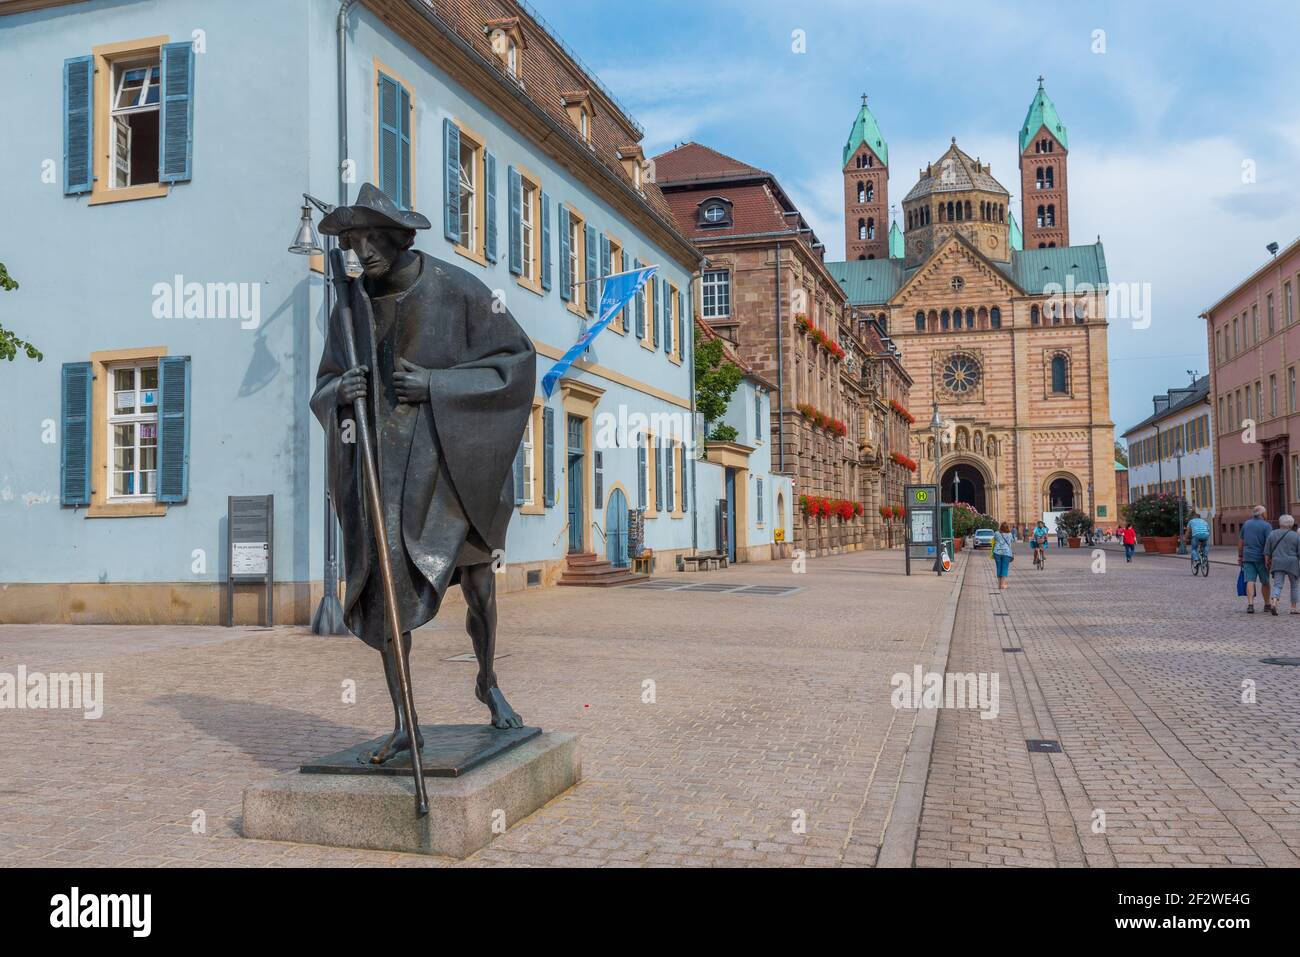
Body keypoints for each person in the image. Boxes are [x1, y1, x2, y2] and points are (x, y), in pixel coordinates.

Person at [311, 183, 536, 763]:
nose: (362, 253)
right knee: (385, 591)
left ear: (398, 236)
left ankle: (487, 678)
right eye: (353, 242)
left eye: (369, 239)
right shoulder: (350, 302)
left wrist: (438, 385)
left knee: (480, 586)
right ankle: (405, 718)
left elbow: (516, 364)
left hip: (454, 466)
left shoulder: (459, 289)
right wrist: (341, 389)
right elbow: (323, 384)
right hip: (385, 470)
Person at [1238, 505, 1273, 614]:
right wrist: (1269, 558)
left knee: (1250, 580)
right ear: (1262, 514)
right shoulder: (1266, 526)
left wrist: (1240, 556)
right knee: (1265, 581)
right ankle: (1267, 604)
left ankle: (1250, 604)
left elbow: (1241, 542)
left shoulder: (1246, 524)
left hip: (1247, 556)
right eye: (1266, 512)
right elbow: (1269, 543)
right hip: (1262, 557)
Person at [1263, 514, 1300, 616]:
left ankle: (1274, 601)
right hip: (1292, 563)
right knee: (1295, 586)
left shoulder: (1272, 534)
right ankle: (1293, 607)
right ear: (1291, 524)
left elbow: (1267, 551)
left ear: (1280, 523)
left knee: (1278, 585)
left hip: (1277, 561)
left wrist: (1267, 562)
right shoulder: (1296, 536)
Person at [992, 522, 1015, 589]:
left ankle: (999, 584)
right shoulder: (1010, 534)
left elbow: (995, 540)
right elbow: (1011, 542)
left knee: (998, 568)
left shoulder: (996, 533)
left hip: (997, 552)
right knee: (1004, 568)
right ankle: (1002, 584)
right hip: (1006, 552)